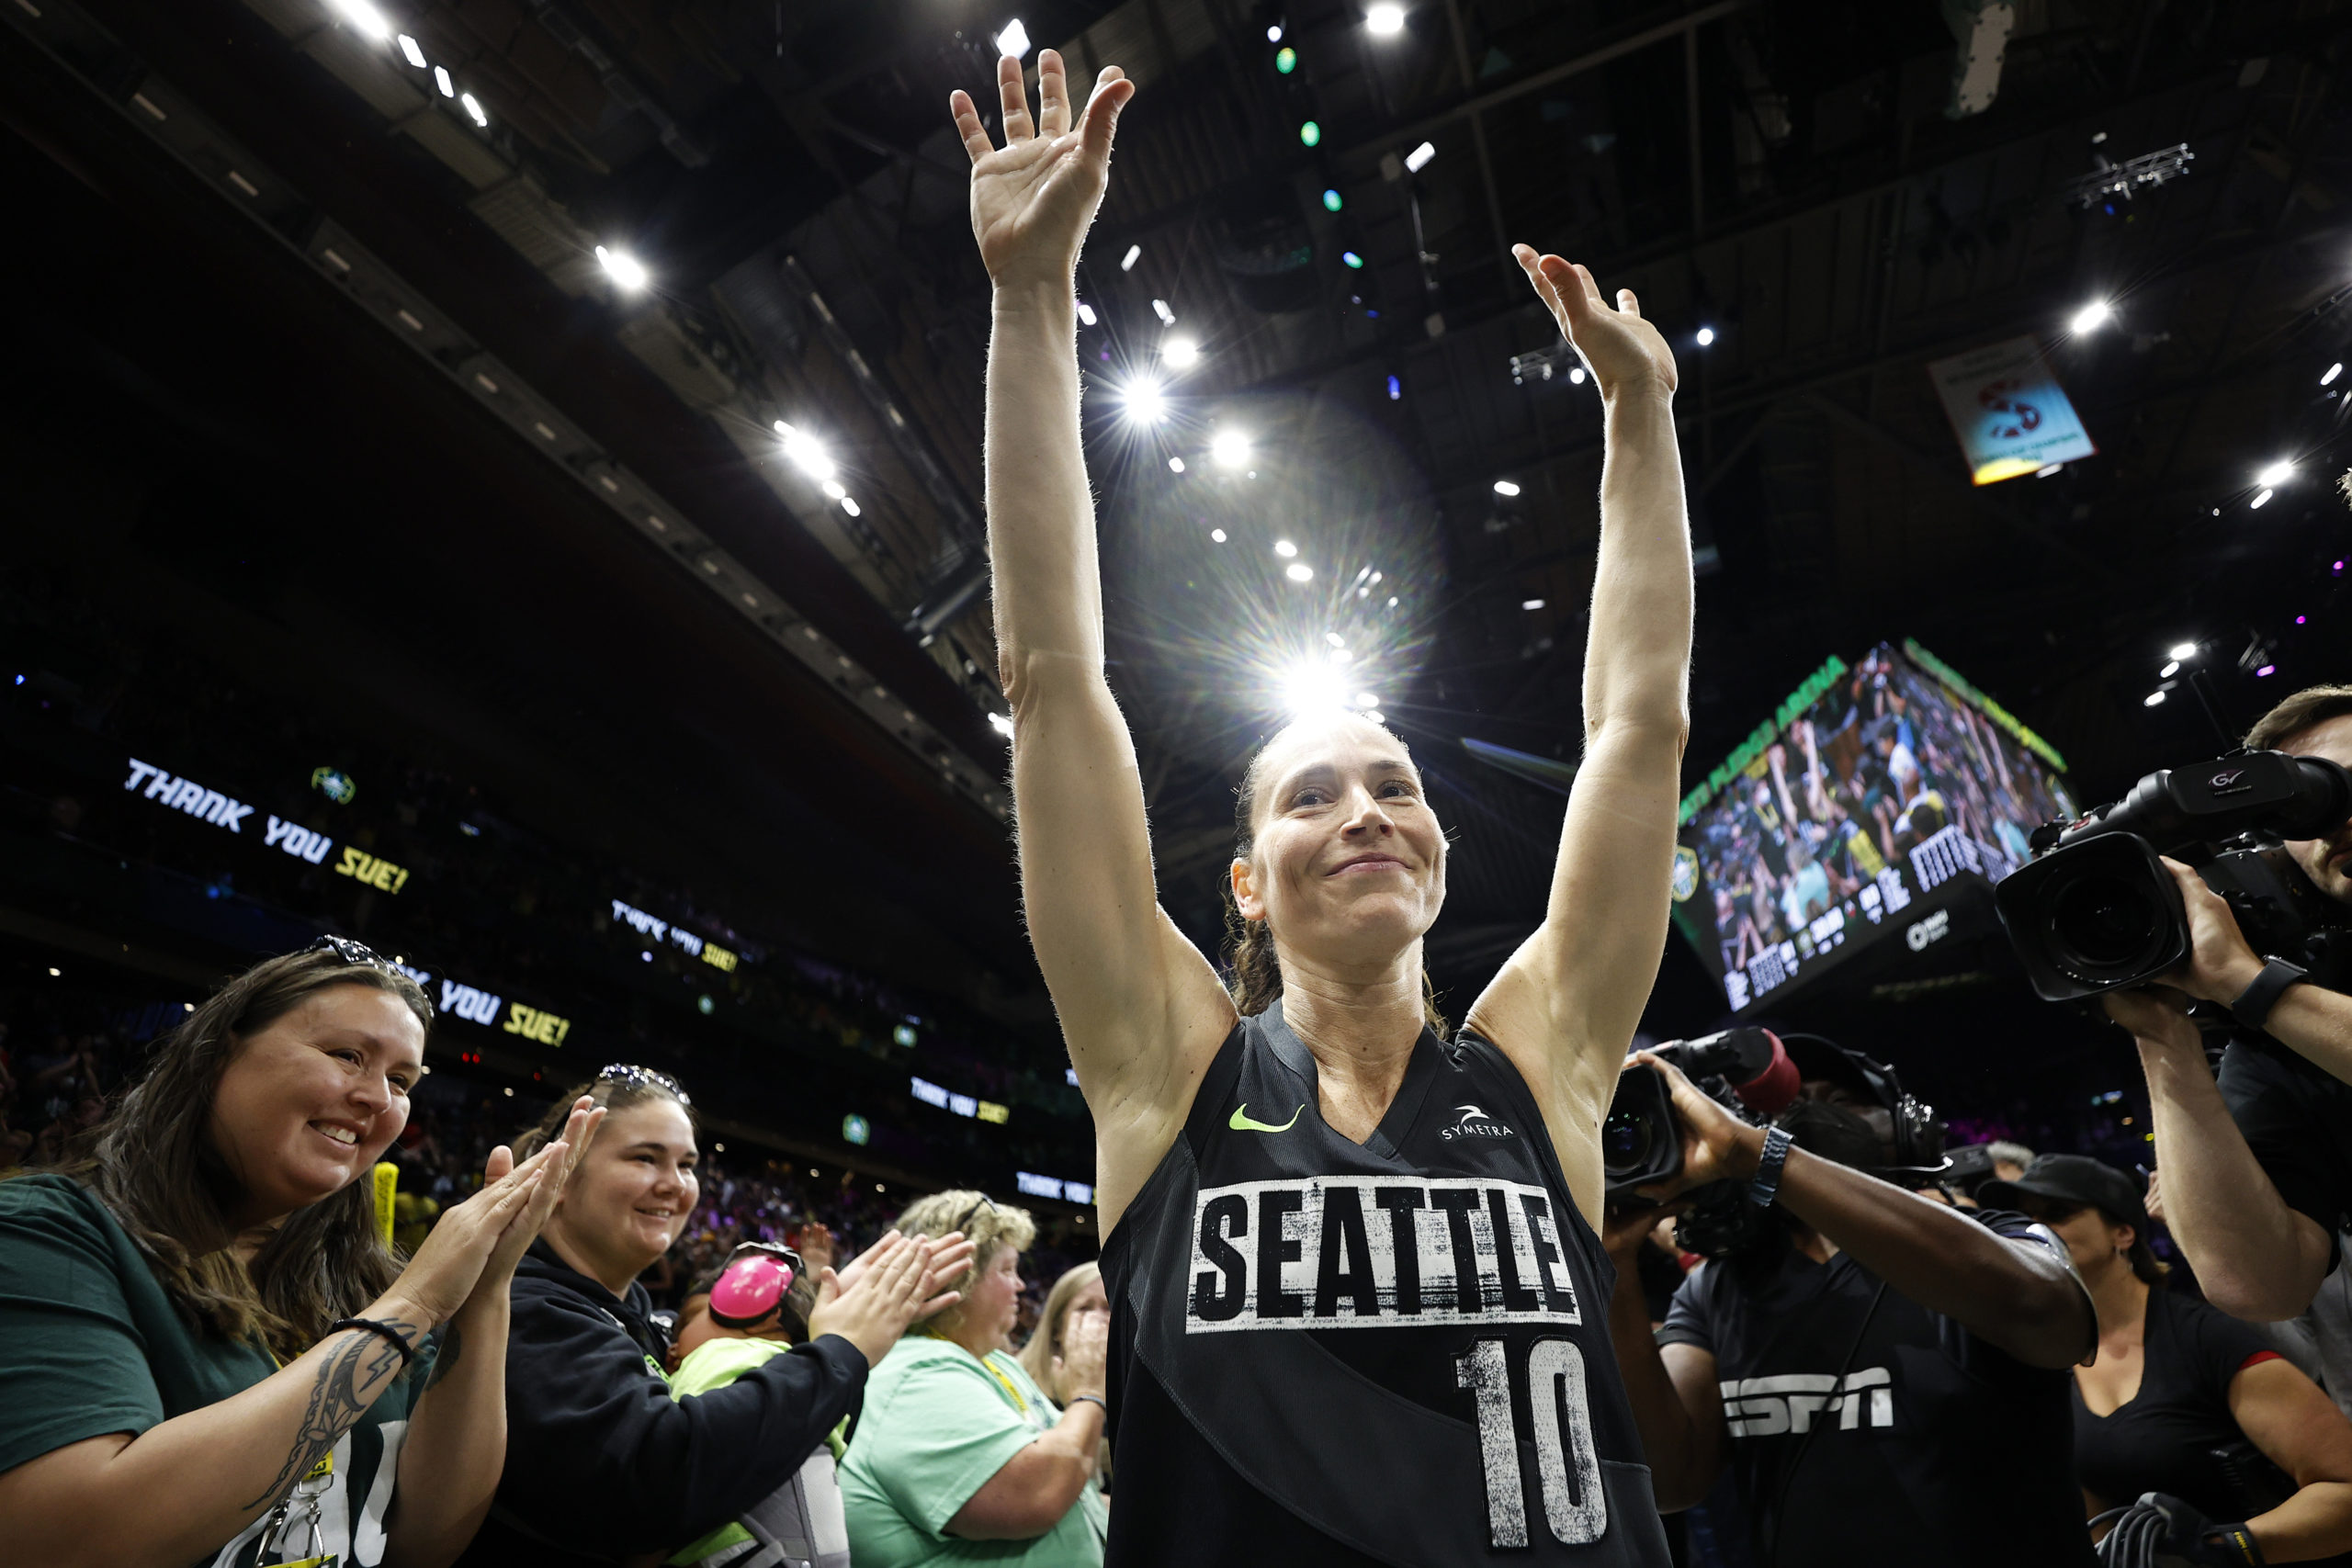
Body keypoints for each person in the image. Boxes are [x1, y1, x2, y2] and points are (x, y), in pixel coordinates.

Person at [955, 36, 1690, 1563]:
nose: (1364, 807)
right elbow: (1049, 675)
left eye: (1395, 783)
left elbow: (1637, 723)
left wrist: (1641, 422)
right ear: (1241, 876)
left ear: (1433, 844)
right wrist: (1032, 303)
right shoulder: (1169, 1074)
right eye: (1310, 795)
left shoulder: (1540, 1063)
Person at [0, 936, 599, 1568]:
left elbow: (425, 1542)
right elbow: (65, 1540)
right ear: (221, 1051)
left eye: (401, 1079)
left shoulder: (364, 1281)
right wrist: (414, 1302)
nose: (378, 1097)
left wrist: (486, 1294)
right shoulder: (50, 1233)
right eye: (347, 1055)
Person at [1607, 1039, 2097, 1568]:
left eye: (1838, 1100)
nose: (1802, 1118)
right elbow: (1672, 1480)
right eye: (1777, 1112)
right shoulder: (1714, 1290)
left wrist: (1764, 1158)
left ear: (1908, 1131)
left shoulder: (1990, 1236)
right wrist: (1611, 1257)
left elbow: (2053, 1318)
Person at [456, 1067, 970, 1568]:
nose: (674, 1185)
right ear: (560, 1175)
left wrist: (813, 1332)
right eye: (645, 1158)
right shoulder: (521, 1307)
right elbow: (656, 1483)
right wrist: (836, 1355)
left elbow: (779, 1451)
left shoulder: (638, 1321)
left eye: (686, 1164)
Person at [2106, 685, 2352, 1321]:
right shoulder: (2282, 1039)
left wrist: (2250, 982)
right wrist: (2162, 1035)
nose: (2335, 817)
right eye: (2300, 808)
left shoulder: (2270, 1000)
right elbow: (2260, 1284)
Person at [1984, 1154, 2352, 1564]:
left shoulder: (2205, 1337)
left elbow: (2344, 1486)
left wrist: (2225, 1547)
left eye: (2058, 1214)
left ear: (2122, 1233)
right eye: (2022, 1219)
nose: (2035, 1232)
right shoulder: (2047, 1361)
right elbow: (2095, 1523)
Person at [841, 1192, 1109, 1567]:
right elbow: (1035, 1493)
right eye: (1007, 1270)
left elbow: (1075, 1495)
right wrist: (1088, 1393)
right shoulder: (915, 1375)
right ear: (959, 1278)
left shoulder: (994, 1362)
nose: (1020, 1286)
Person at [1016, 1261, 1110, 1408]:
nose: (1098, 1319)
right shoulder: (1019, 1386)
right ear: (1057, 1328)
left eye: (1109, 1308)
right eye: (1084, 1309)